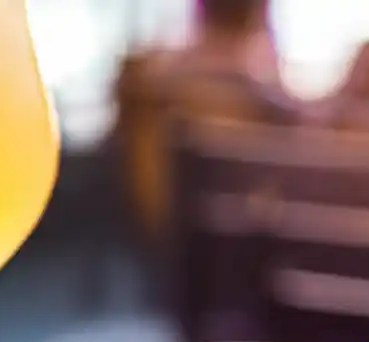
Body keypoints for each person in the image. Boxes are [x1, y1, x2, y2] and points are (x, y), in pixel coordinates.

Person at [115, 0, 295, 237]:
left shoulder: (145, 87)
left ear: (198, 9)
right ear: (260, 13)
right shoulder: (270, 109)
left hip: (139, 237)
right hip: (227, 249)